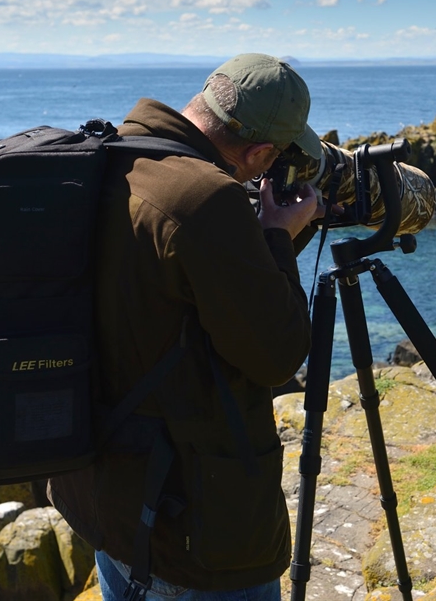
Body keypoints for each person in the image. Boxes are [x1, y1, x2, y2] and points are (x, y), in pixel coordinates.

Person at [48, 54, 324, 600]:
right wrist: (275, 235)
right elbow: (277, 352)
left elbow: (172, 305)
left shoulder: (113, 156)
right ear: (261, 153)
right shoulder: (205, 198)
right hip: (191, 529)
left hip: (112, 499)